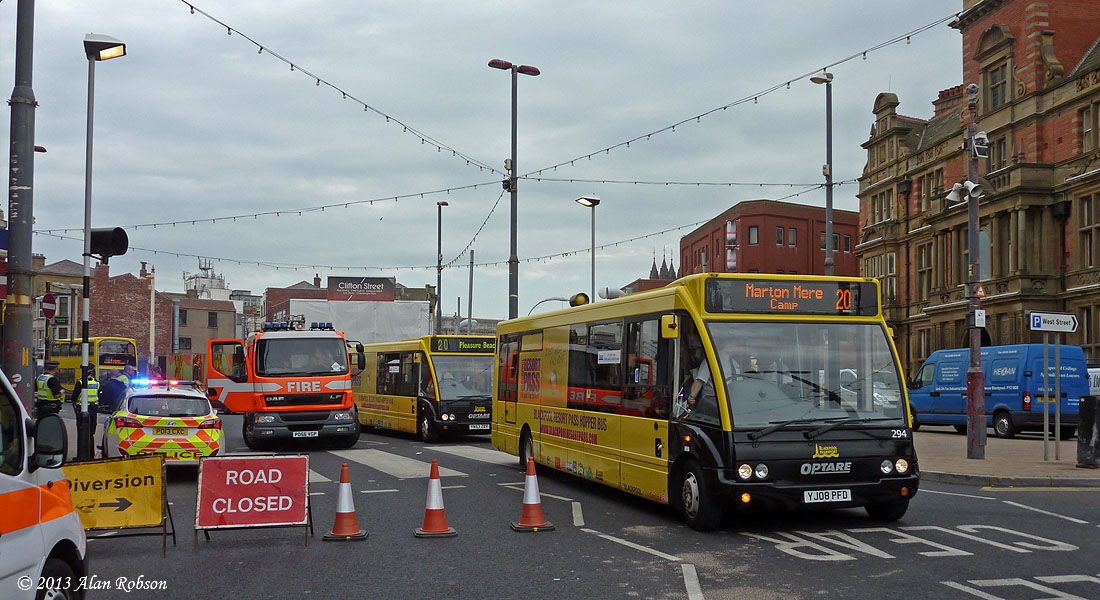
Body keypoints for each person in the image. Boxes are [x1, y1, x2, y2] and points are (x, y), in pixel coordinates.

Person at [70, 372, 101, 450]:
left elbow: (74, 397)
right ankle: (91, 453)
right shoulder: (96, 383)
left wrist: (74, 403)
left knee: (82, 432)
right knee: (91, 433)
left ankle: (82, 452)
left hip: (82, 409)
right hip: (93, 409)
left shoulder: (80, 382)